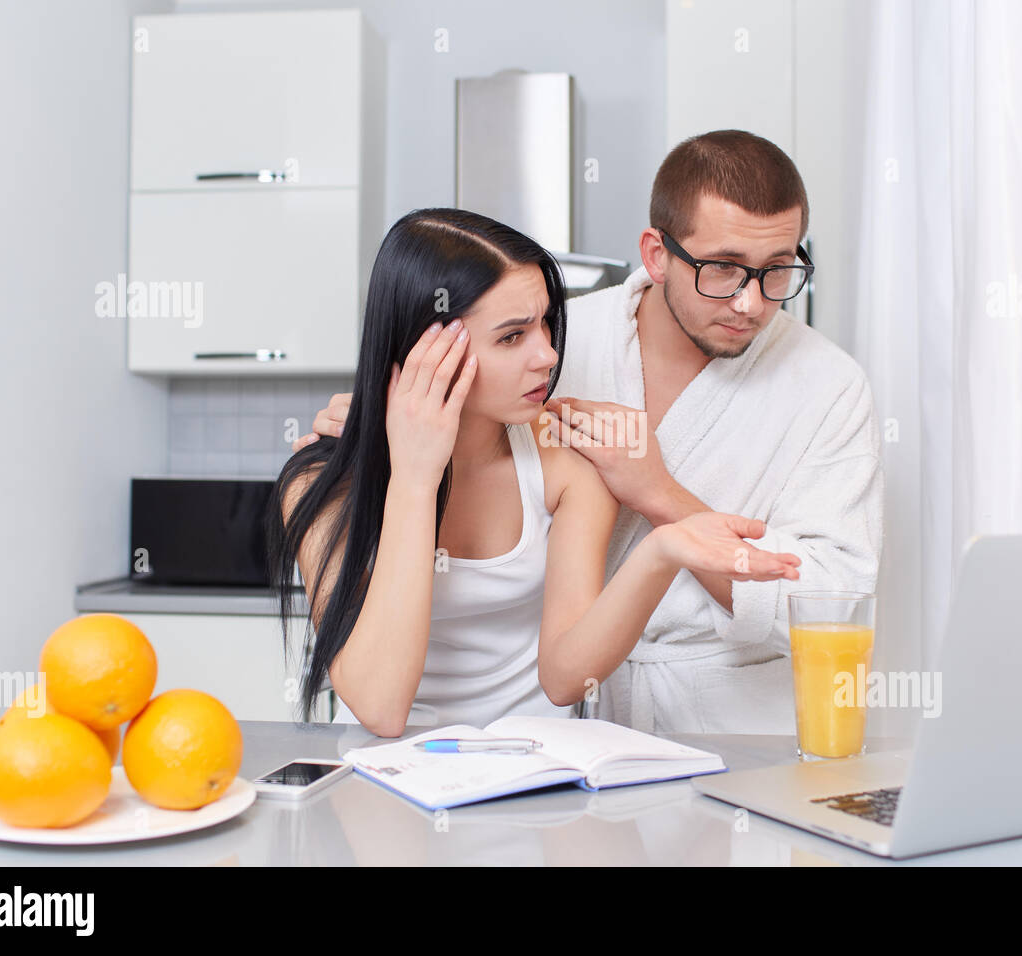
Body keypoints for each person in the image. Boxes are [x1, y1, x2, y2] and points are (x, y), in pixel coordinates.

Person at [294, 131, 885, 735]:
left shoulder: (829, 386)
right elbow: (383, 704)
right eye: (724, 269)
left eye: (778, 270)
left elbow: (837, 605)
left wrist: (660, 499)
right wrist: (382, 430)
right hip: (559, 732)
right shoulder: (566, 337)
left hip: (723, 717)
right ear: (656, 254)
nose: (752, 304)